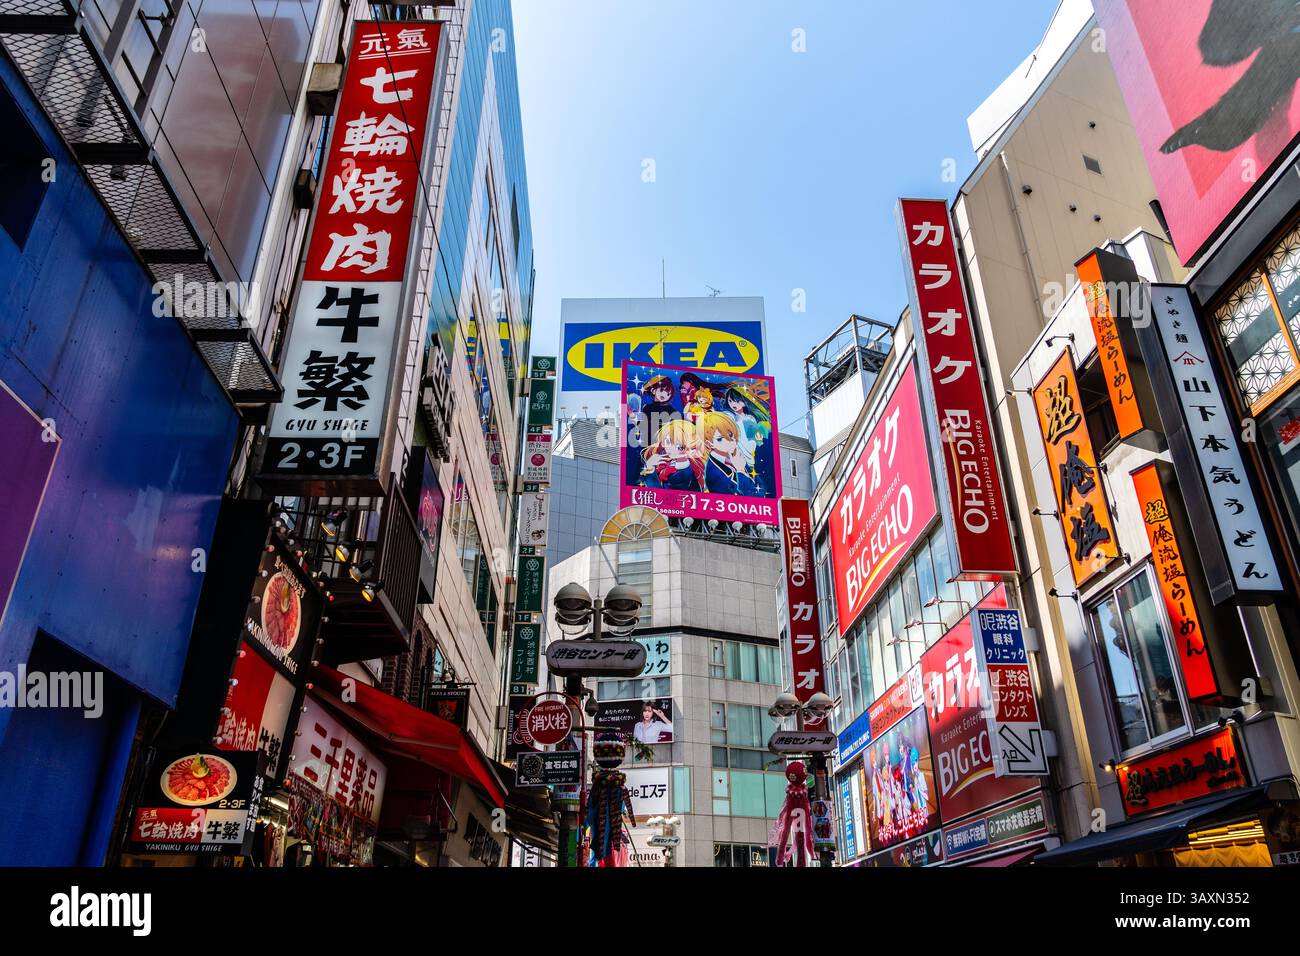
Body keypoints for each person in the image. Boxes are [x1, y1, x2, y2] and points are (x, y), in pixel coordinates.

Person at [699, 411, 757, 496]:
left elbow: (757, 483)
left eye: (730, 435)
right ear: (709, 444)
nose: (729, 441)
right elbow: (744, 497)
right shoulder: (713, 472)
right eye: (720, 439)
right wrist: (740, 470)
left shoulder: (736, 456)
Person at [640, 418, 704, 490]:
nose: (671, 448)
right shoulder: (668, 460)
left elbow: (659, 494)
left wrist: (650, 468)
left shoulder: (683, 472)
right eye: (667, 442)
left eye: (680, 447)